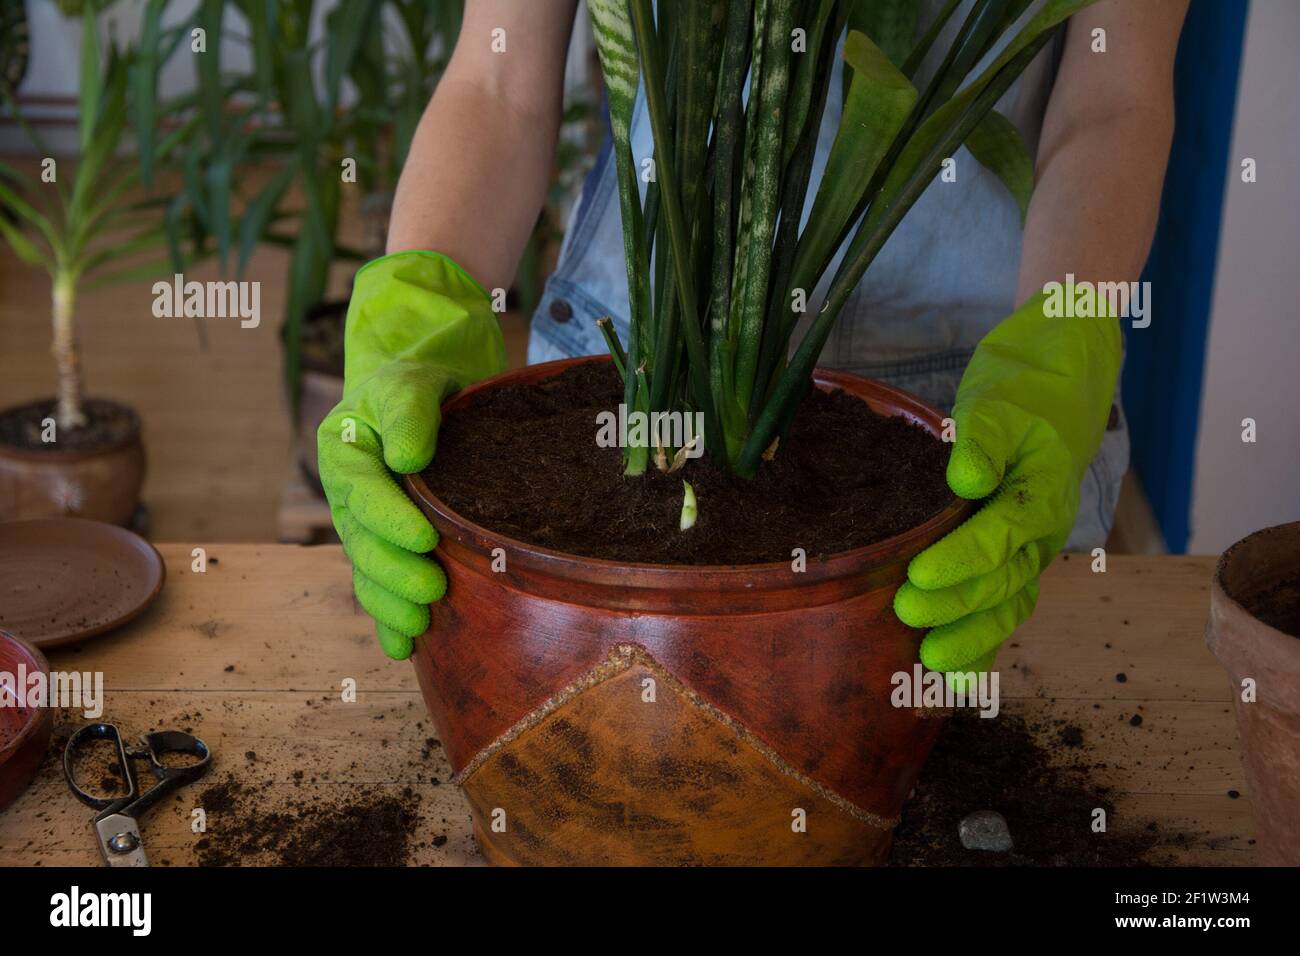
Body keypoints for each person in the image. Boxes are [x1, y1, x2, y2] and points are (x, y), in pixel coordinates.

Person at [318, 0, 1189, 670]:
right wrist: (419, 316)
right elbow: (497, 82)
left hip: (977, 398)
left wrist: (1058, 343)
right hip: (639, 358)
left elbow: (1115, 98)